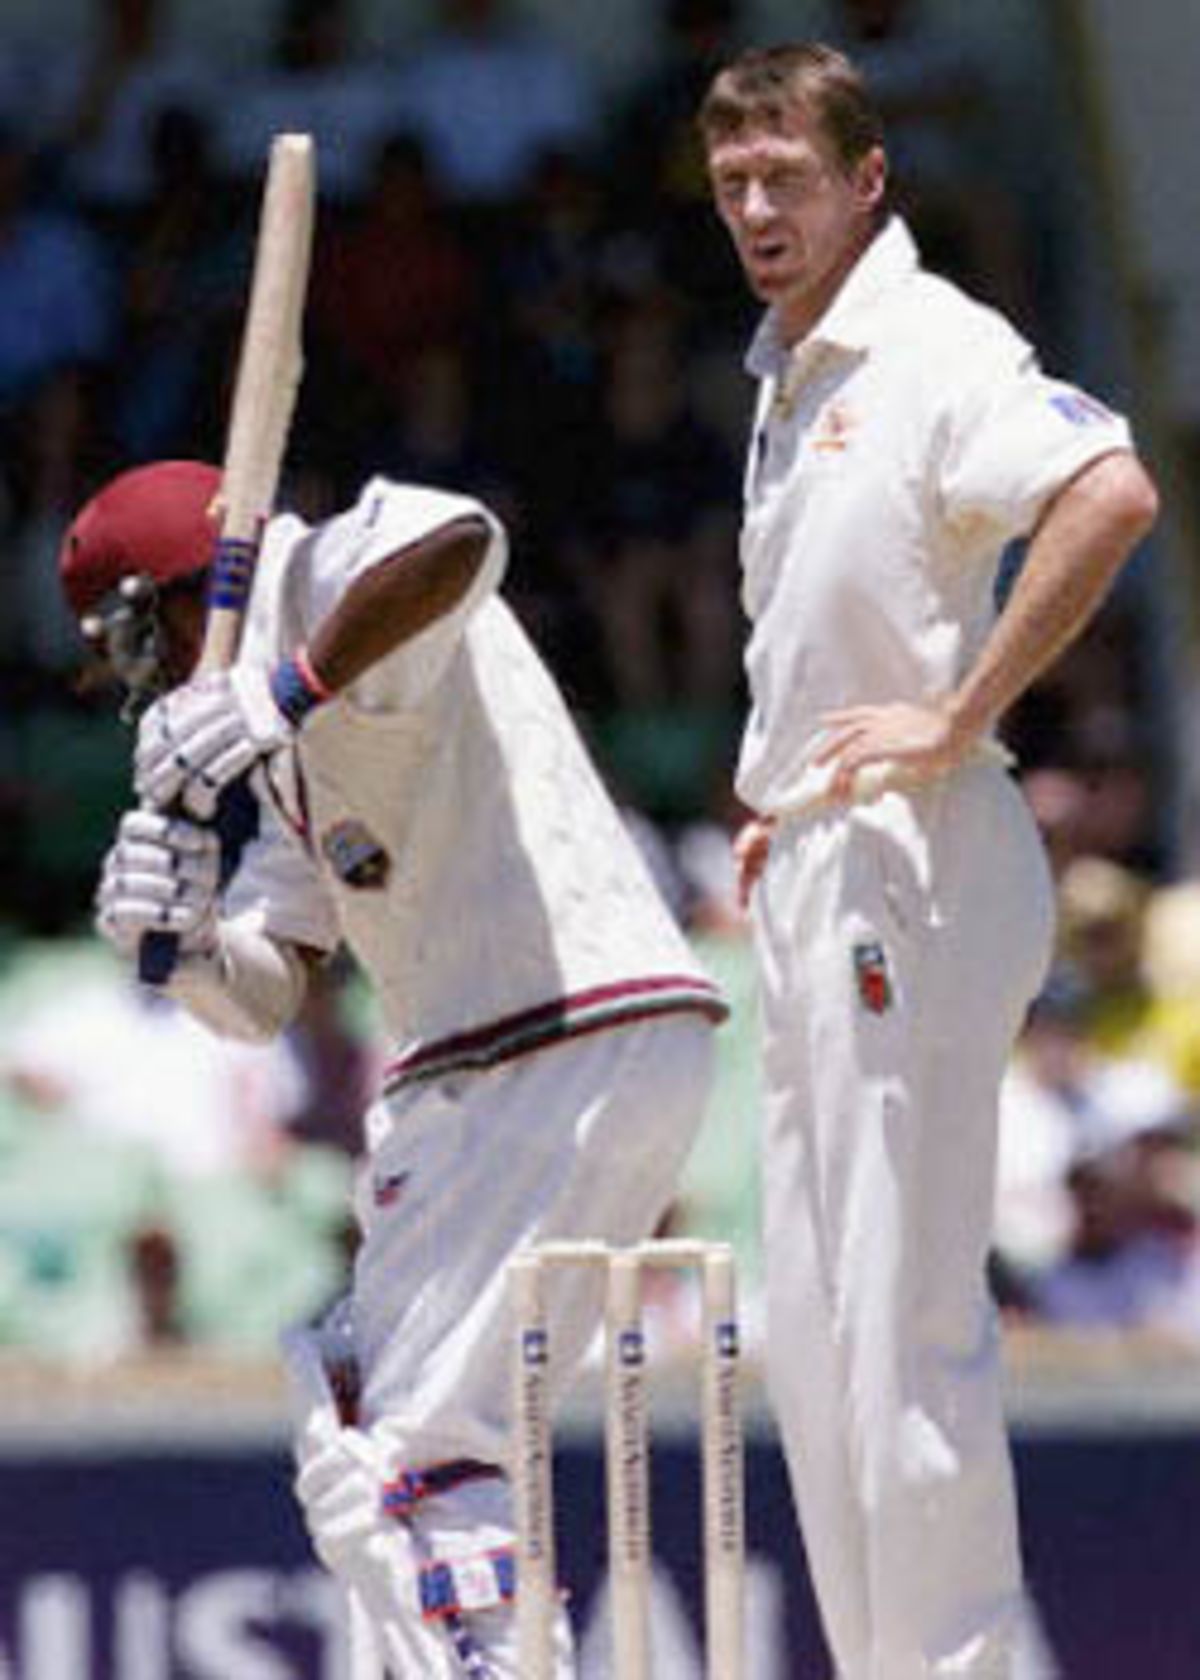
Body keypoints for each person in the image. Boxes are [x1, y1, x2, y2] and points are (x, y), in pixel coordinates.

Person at [58, 459, 726, 1676]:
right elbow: (268, 991)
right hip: (541, 1058)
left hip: (542, 1037)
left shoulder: (323, 579)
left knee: (409, 1442)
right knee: (353, 1405)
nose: (141, 682)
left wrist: (281, 687)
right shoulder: (285, 757)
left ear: (167, 593)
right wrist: (179, 946)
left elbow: (462, 538)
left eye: (133, 641)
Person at [698, 42, 1159, 1680]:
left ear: (865, 180)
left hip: (918, 856)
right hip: (827, 858)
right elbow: (829, 620)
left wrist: (958, 716)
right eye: (733, 180)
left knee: (905, 1317)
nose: (755, 207)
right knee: (817, 1332)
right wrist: (782, 799)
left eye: (787, 179)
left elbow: (1109, 492)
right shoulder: (791, 369)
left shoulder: (938, 341)